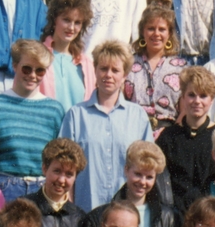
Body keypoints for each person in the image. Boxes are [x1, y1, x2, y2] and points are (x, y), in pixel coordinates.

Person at [59, 39, 154, 212]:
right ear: (95, 70)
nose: (108, 75)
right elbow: (65, 167)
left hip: (127, 215)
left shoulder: (138, 116)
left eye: (115, 70)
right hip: (85, 212)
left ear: (125, 74)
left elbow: (148, 167)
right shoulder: (76, 115)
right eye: (103, 68)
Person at [0, 39, 67, 202]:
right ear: (15, 66)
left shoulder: (54, 110)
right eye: (27, 69)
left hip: (43, 189)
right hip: (4, 188)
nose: (32, 75)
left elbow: (60, 160)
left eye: (39, 71)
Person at [78, 141, 176, 227]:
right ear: (126, 170)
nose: (142, 182)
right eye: (137, 174)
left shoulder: (167, 217)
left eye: (149, 177)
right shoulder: (99, 216)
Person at [124, 0, 189, 130]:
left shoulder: (182, 68)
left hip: (170, 134)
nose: (156, 34)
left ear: (170, 33)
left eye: (162, 29)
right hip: (133, 130)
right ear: (142, 31)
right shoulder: (127, 63)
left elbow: (185, 109)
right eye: (151, 28)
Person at [27, 139, 87, 227]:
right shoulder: (26, 210)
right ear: (44, 169)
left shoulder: (79, 218)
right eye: (57, 171)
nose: (61, 180)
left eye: (69, 174)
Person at [157, 65, 215, 202]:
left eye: (203, 96)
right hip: (176, 213)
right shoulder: (168, 137)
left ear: (211, 100)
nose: (197, 101)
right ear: (183, 97)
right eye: (191, 95)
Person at [38, 0, 95, 109]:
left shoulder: (87, 64)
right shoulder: (37, 56)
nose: (71, 28)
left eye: (77, 22)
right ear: (54, 20)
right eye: (66, 20)